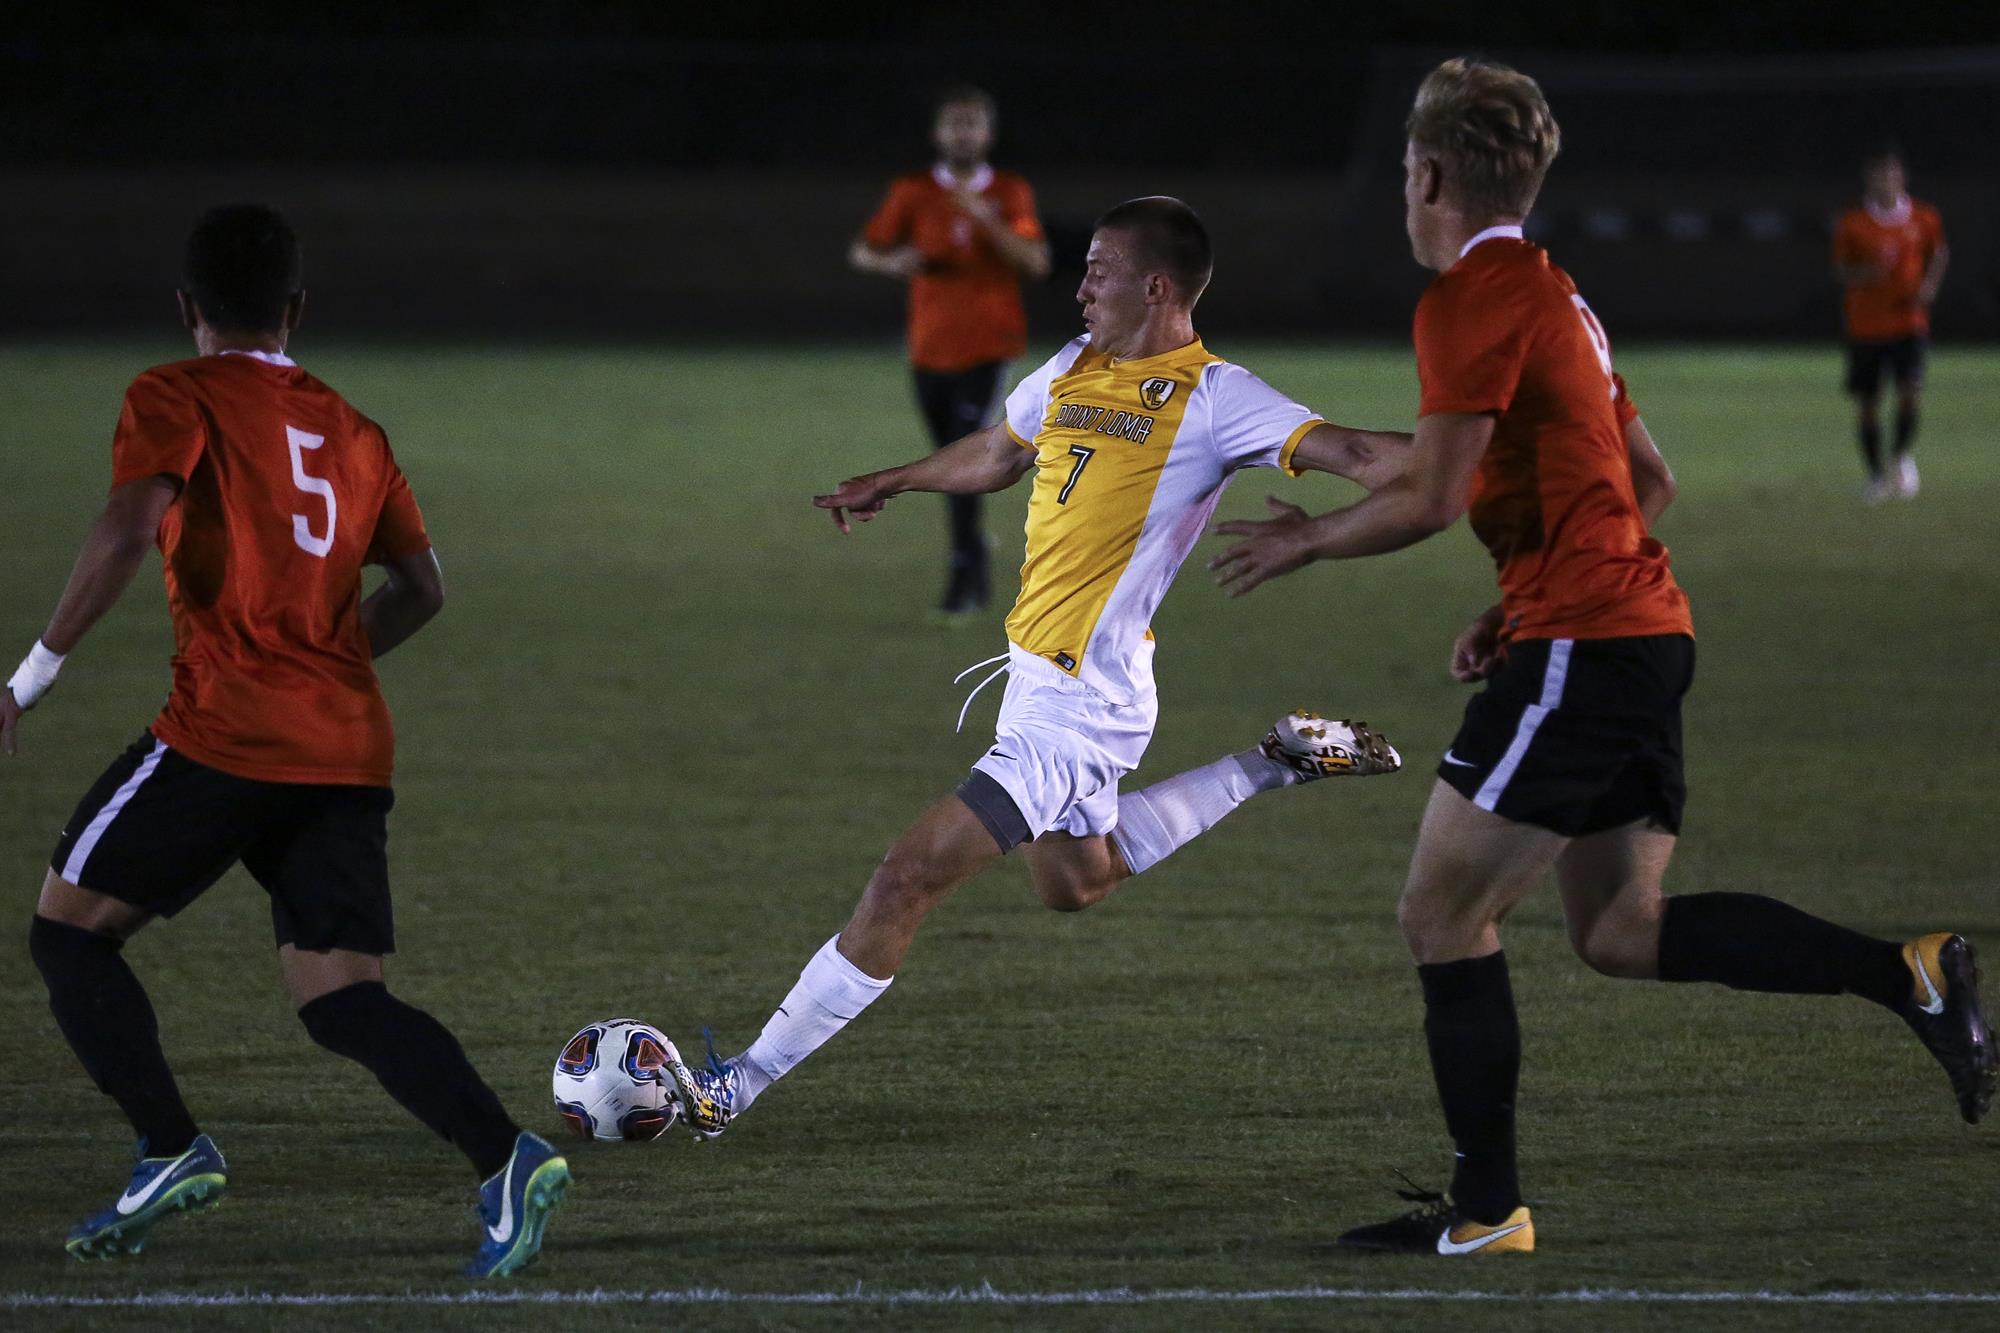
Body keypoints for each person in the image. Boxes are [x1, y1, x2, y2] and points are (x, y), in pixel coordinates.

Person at [1209, 59, 1993, 1256]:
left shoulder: (1467, 299)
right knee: (1619, 928)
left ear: (1423, 176)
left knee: (1438, 913)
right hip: (1632, 633)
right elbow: (1646, 482)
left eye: (1407, 178)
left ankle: (1484, 1212)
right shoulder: (1557, 295)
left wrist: (1306, 540)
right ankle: (1910, 973)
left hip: (1589, 642)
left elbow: (1429, 492)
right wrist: (1518, 598)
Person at [661, 197, 1407, 1138]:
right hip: (1038, 681)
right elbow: (998, 452)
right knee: (1077, 880)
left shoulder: (1216, 396)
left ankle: (738, 1086)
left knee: (906, 876)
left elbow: (1368, 455)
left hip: (1080, 705)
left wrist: (1457, 469)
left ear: (1157, 287)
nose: (1080, 282)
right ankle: (1273, 760)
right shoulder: (1071, 368)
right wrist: (891, 478)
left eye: (1098, 268)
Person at [2, 205, 568, 1277]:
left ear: (187, 309)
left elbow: (128, 526)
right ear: (296, 310)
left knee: (68, 933)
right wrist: (324, 657)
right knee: (345, 997)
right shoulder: (355, 428)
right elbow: (422, 589)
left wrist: (31, 675)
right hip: (346, 744)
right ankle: (505, 1156)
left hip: (225, 730)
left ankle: (169, 1147)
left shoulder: (173, 391)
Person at [850, 85, 1051, 619]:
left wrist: (986, 220)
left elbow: (1035, 261)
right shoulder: (913, 190)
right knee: (945, 457)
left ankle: (965, 574)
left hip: (988, 345)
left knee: (967, 457)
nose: (963, 134)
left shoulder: (1009, 192)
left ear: (988, 133)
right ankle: (973, 553)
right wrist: (891, 263)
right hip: (928, 347)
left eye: (973, 124)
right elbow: (865, 249)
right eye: (954, 124)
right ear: (938, 134)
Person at [1833, 144, 1947, 503]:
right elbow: (1840, 269)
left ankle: (1899, 457)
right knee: (1868, 404)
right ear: (1869, 178)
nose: (1885, 180)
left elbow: (1940, 252)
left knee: (1910, 393)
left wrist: (1929, 285)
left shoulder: (1924, 217)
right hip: (1866, 325)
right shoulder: (1853, 222)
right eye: (1878, 173)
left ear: (1902, 176)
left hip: (1908, 323)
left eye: (1891, 172)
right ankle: (1876, 475)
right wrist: (1867, 273)